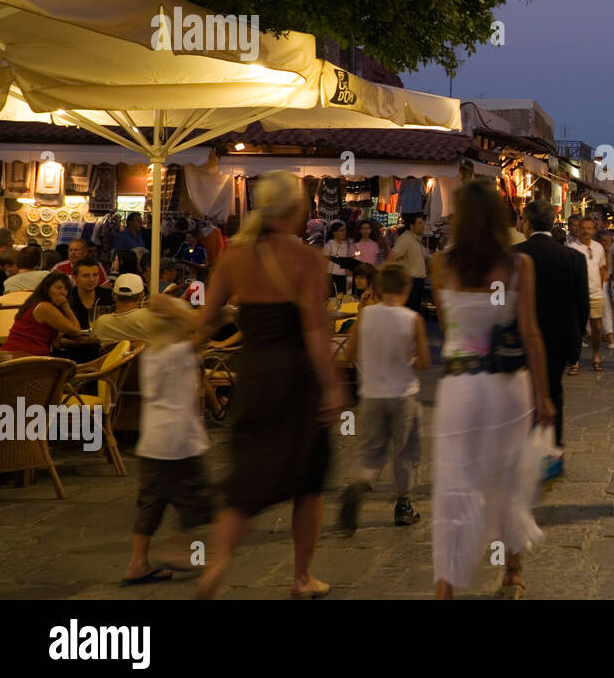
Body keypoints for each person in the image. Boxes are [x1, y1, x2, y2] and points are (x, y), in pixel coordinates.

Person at [195, 170, 346, 599]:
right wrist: (333, 385)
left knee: (245, 480)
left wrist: (183, 341)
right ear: (297, 210)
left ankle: (219, 559)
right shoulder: (307, 261)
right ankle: (301, 577)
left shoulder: (234, 257)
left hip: (255, 376)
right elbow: (316, 333)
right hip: (297, 380)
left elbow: (206, 319)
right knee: (309, 483)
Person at [429, 180, 553, 599]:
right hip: (507, 387)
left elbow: (450, 330)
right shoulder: (519, 267)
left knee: (454, 483)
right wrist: (544, 395)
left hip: (460, 387)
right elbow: (530, 333)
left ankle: (446, 584)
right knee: (509, 475)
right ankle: (513, 571)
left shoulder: (441, 266)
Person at [122, 294, 215, 586]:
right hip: (178, 442)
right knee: (197, 499)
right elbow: (208, 326)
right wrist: (178, 310)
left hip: (153, 441)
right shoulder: (177, 354)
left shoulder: (150, 354)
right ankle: (178, 550)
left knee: (150, 503)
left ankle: (137, 564)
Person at [338, 263, 431, 533]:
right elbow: (424, 362)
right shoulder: (413, 319)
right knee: (405, 451)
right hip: (403, 394)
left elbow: (349, 355)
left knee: (371, 450)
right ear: (406, 288)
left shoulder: (365, 316)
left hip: (372, 394)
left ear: (378, 288)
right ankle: (403, 506)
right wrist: (408, 359)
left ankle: (358, 485)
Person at [515, 198, 588, 461]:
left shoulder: (515, 254)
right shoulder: (573, 257)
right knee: (554, 388)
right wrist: (576, 335)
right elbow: (582, 304)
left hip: (522, 336)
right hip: (559, 336)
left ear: (528, 222)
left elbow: (501, 300)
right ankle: (553, 447)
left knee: (523, 392)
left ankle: (525, 446)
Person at [0, 272, 86, 357]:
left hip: (18, 354)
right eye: (58, 288)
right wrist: (66, 306)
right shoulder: (44, 306)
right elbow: (76, 331)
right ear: (47, 289)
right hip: (23, 358)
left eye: (66, 289)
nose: (63, 292)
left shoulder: (36, 303)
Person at [568, 216, 608, 373]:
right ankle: (575, 361)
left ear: (593, 230)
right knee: (577, 330)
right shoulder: (572, 248)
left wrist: (601, 286)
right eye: (583, 228)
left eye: (588, 228)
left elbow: (602, 268)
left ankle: (596, 356)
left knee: (597, 328)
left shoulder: (598, 247)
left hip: (596, 293)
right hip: (578, 295)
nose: (585, 231)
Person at [91, 274, 166, 344]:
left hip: (114, 358)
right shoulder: (150, 317)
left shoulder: (102, 322)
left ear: (113, 295)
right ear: (141, 295)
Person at [388, 213, 430, 312]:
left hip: (418, 282)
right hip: (410, 282)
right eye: (419, 223)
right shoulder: (405, 239)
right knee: (409, 311)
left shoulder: (416, 240)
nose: (422, 225)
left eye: (423, 223)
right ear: (411, 226)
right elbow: (392, 257)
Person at [68, 259, 114, 330]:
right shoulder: (68, 298)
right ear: (75, 277)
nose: (91, 279)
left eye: (95, 275)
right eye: (86, 276)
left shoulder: (109, 296)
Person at [323, 221, 352, 296]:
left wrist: (349, 279)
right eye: (341, 231)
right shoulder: (329, 245)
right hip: (332, 276)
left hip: (342, 277)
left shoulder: (346, 245)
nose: (344, 232)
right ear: (334, 233)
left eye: (345, 230)